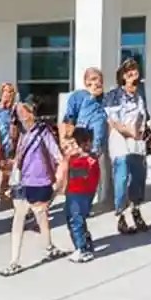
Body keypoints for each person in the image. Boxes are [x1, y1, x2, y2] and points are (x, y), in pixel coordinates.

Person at [0, 95, 67, 276]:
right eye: (18, 111)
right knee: (19, 219)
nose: (19, 114)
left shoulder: (42, 132)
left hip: (39, 181)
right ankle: (15, 260)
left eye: (22, 110)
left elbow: (58, 156)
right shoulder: (22, 134)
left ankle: (48, 246)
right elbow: (20, 159)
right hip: (22, 181)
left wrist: (58, 181)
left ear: (31, 113)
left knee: (41, 215)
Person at [103, 59, 151, 236]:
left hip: (137, 139)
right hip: (120, 139)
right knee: (122, 176)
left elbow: (144, 115)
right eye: (129, 74)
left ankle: (136, 210)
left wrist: (141, 131)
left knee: (138, 177)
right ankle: (120, 215)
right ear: (122, 76)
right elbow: (112, 120)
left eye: (135, 73)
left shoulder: (140, 94)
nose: (133, 77)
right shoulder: (113, 95)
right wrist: (129, 132)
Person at [61, 67, 109, 210]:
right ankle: (75, 204)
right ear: (86, 81)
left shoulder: (106, 99)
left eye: (99, 79)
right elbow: (69, 118)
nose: (97, 82)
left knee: (93, 178)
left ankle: (88, 205)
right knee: (78, 176)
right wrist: (66, 139)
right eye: (93, 79)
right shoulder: (78, 96)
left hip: (98, 147)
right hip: (81, 144)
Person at [63, 127, 100, 263]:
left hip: (79, 194)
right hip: (77, 193)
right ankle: (85, 242)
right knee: (75, 218)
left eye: (73, 144)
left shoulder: (87, 161)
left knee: (75, 219)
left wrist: (68, 161)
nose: (69, 147)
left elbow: (80, 176)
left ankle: (82, 249)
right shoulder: (84, 159)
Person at [0, 83, 20, 208]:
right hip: (0, 140)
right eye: (5, 91)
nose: (7, 94)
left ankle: (2, 189)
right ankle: (2, 189)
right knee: (4, 167)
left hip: (11, 141)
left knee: (7, 167)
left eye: (10, 91)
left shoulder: (14, 108)